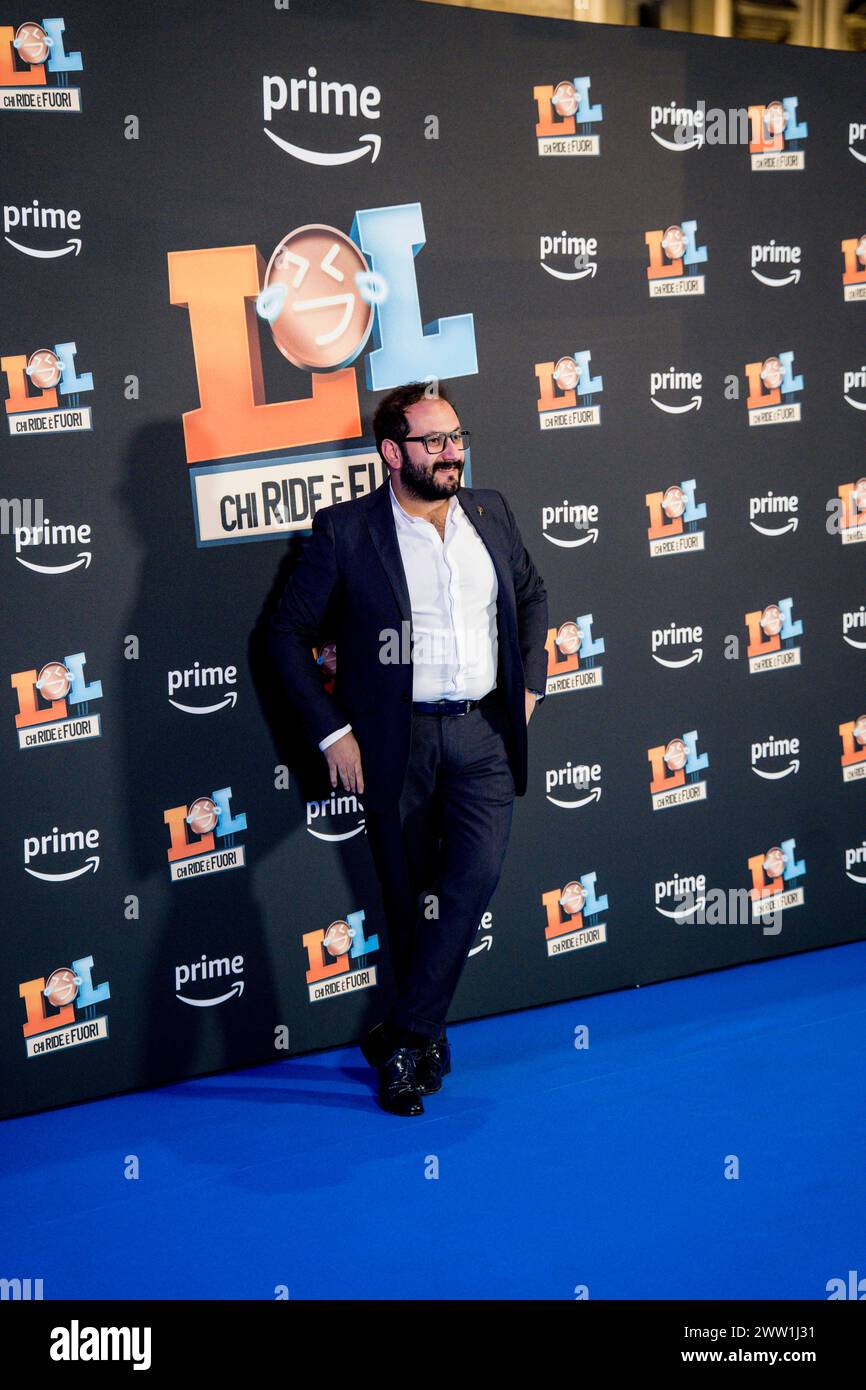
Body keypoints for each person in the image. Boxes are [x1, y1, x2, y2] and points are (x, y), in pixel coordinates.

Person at [268, 383, 549, 1115]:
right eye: (434, 441)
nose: (452, 451)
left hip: (484, 734)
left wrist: (532, 689)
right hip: (399, 740)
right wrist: (334, 731)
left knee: (474, 877)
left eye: (456, 436)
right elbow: (283, 638)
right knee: (408, 901)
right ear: (392, 453)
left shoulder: (491, 512)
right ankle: (420, 1042)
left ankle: (405, 1034)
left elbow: (532, 594)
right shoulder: (346, 532)